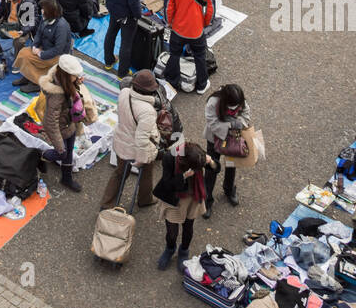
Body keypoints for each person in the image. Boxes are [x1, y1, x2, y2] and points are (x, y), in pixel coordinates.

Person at [99, 69, 160, 211]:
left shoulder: (124, 93)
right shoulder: (147, 110)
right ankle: (145, 199)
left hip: (121, 142)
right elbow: (142, 139)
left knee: (119, 173)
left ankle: (107, 204)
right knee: (146, 172)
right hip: (136, 148)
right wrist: (142, 159)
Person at [39, 54, 95, 194]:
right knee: (62, 153)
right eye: (74, 76)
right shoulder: (57, 96)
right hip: (60, 128)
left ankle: (66, 178)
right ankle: (40, 155)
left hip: (70, 124)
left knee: (69, 152)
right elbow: (50, 122)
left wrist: (77, 82)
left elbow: (72, 93)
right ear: (65, 75)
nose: (76, 77)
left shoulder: (66, 82)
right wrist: (59, 146)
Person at [154, 143, 213, 271]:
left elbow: (216, 168)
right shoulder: (169, 157)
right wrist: (184, 176)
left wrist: (211, 161)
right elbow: (167, 183)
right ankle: (170, 249)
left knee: (188, 227)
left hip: (193, 197)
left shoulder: (197, 154)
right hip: (174, 197)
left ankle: (184, 251)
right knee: (171, 232)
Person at [163, 0, 216, 94]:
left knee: (174, 54)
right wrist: (205, 23)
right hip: (197, 31)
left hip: (178, 30)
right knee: (199, 55)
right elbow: (211, 9)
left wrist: (169, 23)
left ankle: (172, 82)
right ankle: (201, 84)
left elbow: (168, 8)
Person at [204, 84, 251, 215]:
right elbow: (212, 123)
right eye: (231, 106)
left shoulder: (240, 100)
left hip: (233, 140)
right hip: (215, 139)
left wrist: (239, 123)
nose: (235, 108)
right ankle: (207, 199)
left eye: (237, 106)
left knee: (231, 165)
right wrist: (231, 125)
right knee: (211, 167)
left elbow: (246, 114)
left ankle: (229, 189)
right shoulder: (213, 102)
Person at [12, 0, 72, 88]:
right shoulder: (45, 19)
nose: (41, 11)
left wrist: (41, 54)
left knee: (29, 58)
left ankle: (36, 82)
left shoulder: (61, 26)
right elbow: (39, 34)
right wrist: (34, 46)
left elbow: (58, 49)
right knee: (23, 53)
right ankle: (28, 76)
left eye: (43, 10)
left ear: (50, 12)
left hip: (57, 55)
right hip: (44, 48)